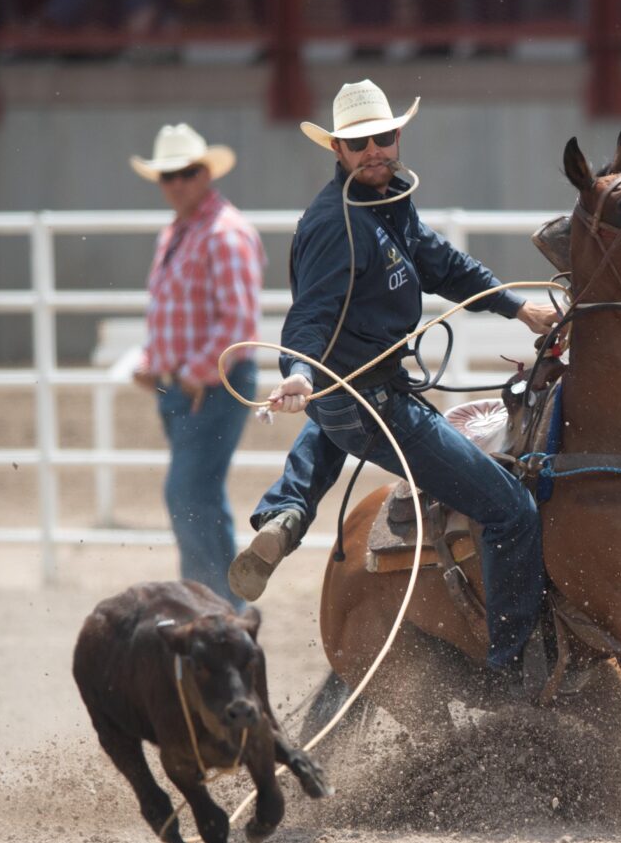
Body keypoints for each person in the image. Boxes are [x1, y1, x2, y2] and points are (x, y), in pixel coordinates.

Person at [231, 79, 558, 677]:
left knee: (335, 424)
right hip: (369, 399)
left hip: (355, 394)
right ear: (338, 150)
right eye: (360, 144)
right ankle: (513, 670)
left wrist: (518, 307)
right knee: (512, 511)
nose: (374, 150)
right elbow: (309, 316)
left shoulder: (387, 204)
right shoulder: (338, 225)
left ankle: (287, 511)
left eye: (382, 138)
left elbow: (444, 265)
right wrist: (299, 373)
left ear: (397, 136)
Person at [129, 122, 264, 609]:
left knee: (187, 496)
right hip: (186, 388)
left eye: (186, 173)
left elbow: (240, 320)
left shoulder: (224, 234)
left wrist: (191, 372)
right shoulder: (182, 232)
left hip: (211, 386)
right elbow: (176, 311)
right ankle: (218, 607)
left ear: (205, 173)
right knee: (198, 499)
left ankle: (214, 610)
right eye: (169, 176)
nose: (177, 183)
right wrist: (154, 363)